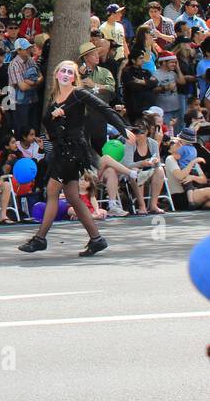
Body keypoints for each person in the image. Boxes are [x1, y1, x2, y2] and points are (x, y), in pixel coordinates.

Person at [18, 61, 133, 257]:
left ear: (74, 77)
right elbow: (47, 124)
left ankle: (40, 239)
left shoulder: (78, 94)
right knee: (72, 196)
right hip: (61, 149)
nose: (65, 74)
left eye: (69, 72)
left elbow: (104, 109)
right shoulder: (54, 97)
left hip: (73, 151)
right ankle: (96, 239)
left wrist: (123, 128)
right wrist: (54, 116)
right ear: (56, 74)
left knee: (52, 191)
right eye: (62, 70)